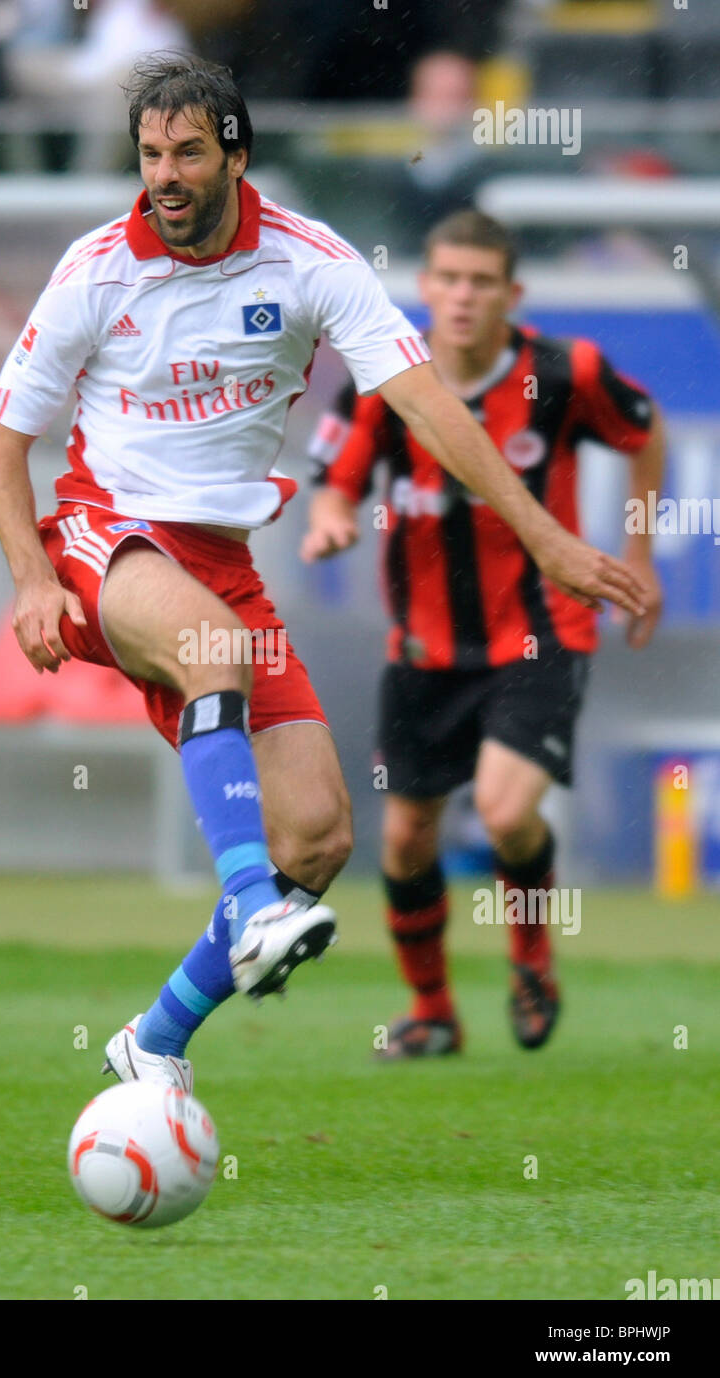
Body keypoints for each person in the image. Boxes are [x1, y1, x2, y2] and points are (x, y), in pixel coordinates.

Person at [0, 57, 650, 1093]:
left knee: (323, 835)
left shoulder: (309, 262)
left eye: (189, 152)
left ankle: (152, 1039)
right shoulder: (96, 268)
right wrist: (29, 579)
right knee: (215, 651)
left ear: (236, 155)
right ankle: (251, 906)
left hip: (221, 566)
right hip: (105, 536)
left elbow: (432, 408)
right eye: (152, 154)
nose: (165, 174)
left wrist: (547, 537)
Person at [303, 210, 664, 1058]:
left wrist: (638, 554)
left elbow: (642, 436)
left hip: (543, 629)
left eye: (481, 282)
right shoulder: (385, 377)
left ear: (512, 293)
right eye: (448, 280)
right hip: (424, 645)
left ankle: (530, 959)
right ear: (424, 287)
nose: (462, 297)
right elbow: (331, 483)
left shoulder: (561, 371)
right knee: (405, 833)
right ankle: (432, 1011)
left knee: (504, 814)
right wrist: (328, 523)